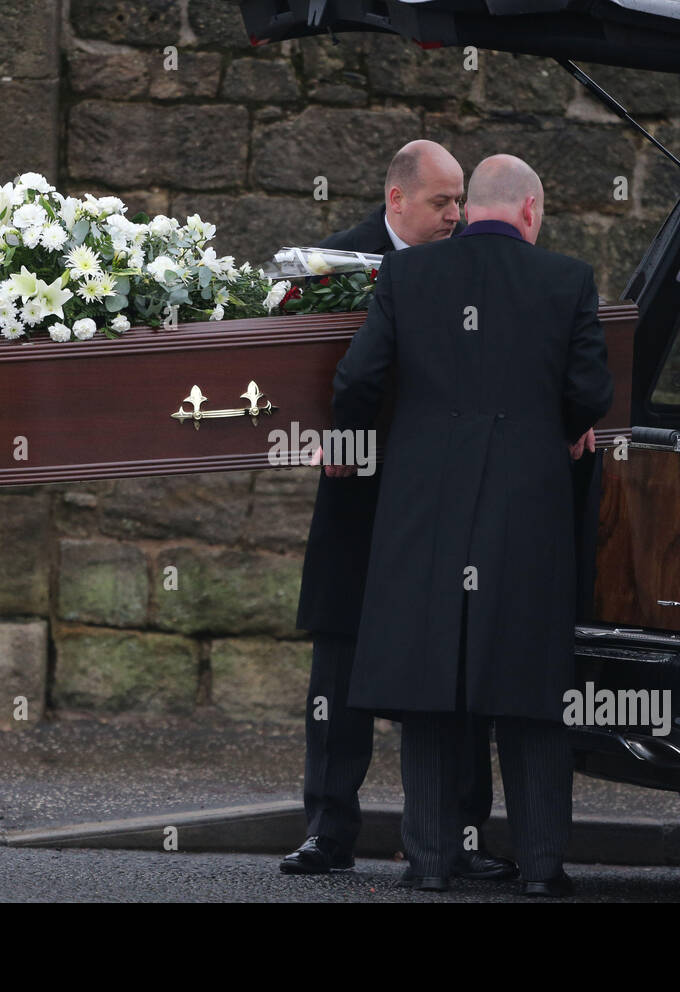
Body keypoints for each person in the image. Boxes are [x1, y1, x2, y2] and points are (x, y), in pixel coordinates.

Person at [330, 154, 612, 896]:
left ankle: (428, 863)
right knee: (529, 687)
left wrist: (353, 440)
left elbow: (358, 377)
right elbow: (590, 392)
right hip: (529, 511)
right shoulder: (567, 281)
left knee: (431, 684)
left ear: (475, 206)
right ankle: (544, 868)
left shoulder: (409, 276)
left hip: (425, 507)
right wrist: (560, 425)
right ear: (528, 212)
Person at [281, 140, 515, 883]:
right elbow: (294, 371)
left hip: (444, 494)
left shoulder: (476, 260)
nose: (456, 214)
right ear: (397, 201)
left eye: (461, 201)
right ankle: (327, 830)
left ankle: (456, 837)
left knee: (453, 665)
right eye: (443, 202)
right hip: (358, 494)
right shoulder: (327, 266)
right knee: (340, 669)